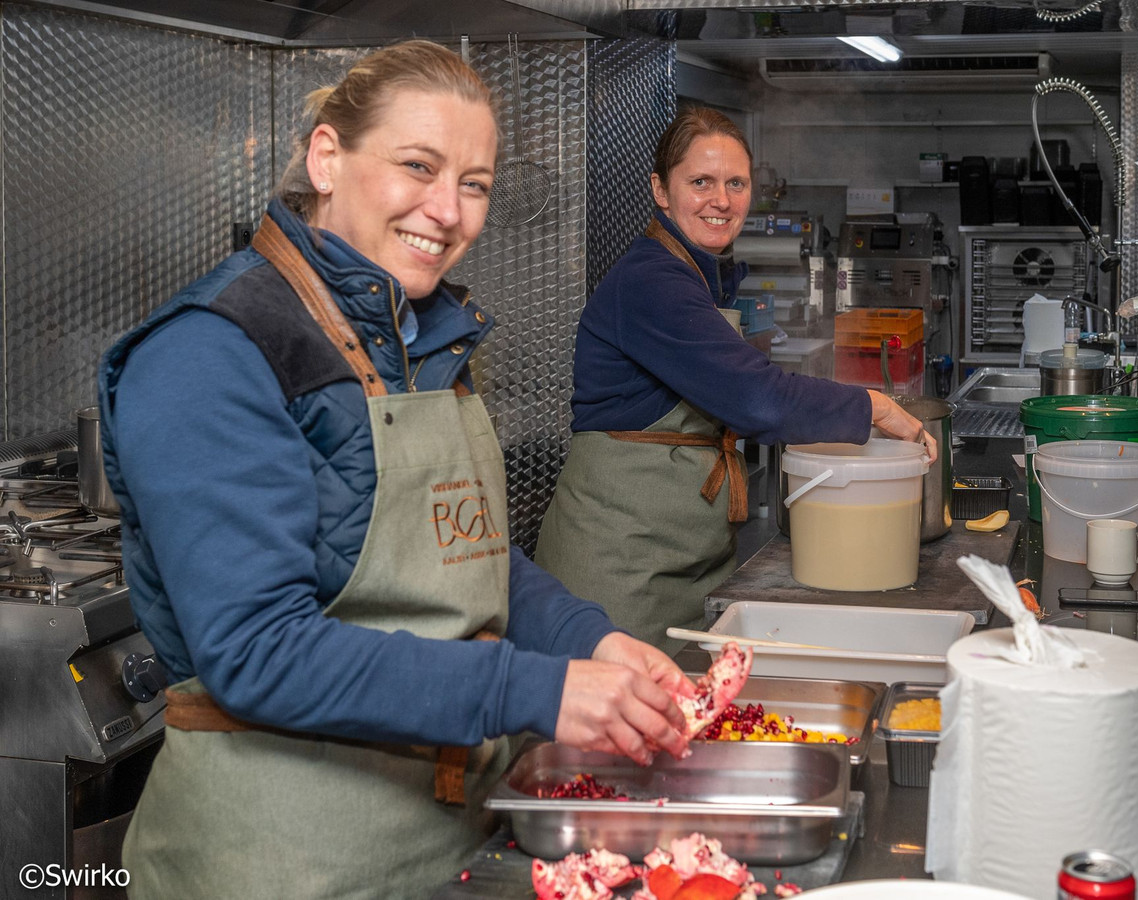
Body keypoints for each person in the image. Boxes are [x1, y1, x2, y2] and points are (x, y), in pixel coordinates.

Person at [98, 40, 693, 900]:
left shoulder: (422, 335)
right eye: (417, 165)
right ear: (327, 157)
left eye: (475, 184)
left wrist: (588, 642)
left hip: (443, 838)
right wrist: (537, 686)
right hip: (281, 860)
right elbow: (259, 653)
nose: (446, 211)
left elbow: (460, 554)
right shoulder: (212, 352)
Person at [533, 107, 937, 653]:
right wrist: (875, 406)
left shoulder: (698, 273)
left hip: (680, 557)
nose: (720, 200)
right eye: (700, 182)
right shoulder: (652, 281)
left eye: (735, 183)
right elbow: (756, 397)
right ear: (660, 189)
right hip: (619, 573)